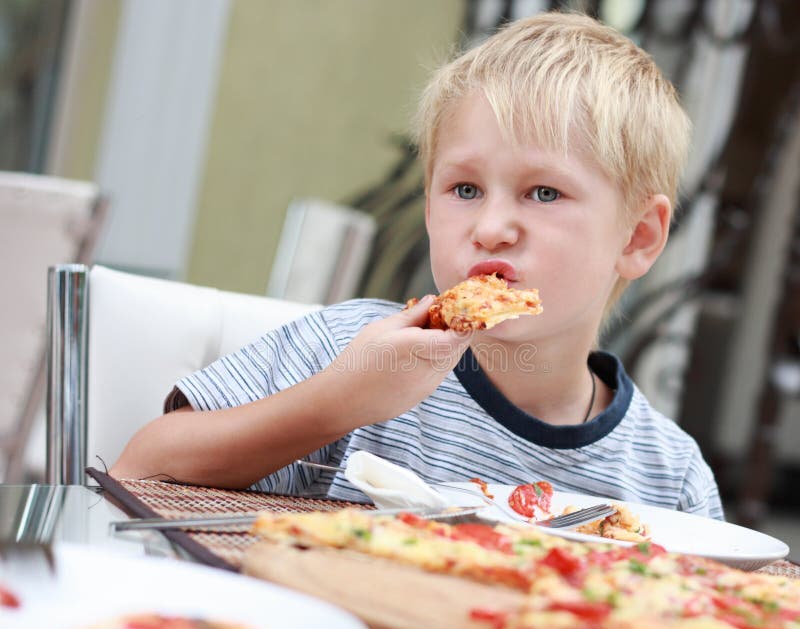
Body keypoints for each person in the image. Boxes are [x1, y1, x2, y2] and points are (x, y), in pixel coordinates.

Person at [111, 11, 724, 519]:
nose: (489, 228)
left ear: (638, 238)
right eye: (464, 189)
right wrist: (341, 402)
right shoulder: (348, 350)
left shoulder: (670, 481)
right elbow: (141, 470)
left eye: (544, 193)